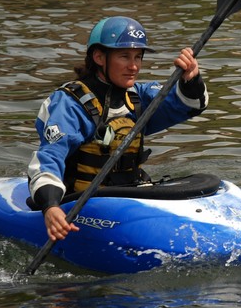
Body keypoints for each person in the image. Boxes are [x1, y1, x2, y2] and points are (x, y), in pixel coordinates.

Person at [27, 16, 208, 242]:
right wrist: (50, 206)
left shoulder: (137, 97)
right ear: (99, 57)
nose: (133, 66)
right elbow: (50, 157)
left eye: (137, 57)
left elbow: (190, 105)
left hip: (129, 196)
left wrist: (191, 79)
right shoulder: (70, 104)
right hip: (81, 203)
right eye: (124, 56)